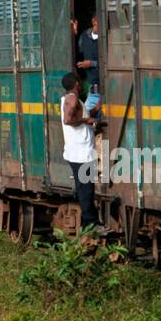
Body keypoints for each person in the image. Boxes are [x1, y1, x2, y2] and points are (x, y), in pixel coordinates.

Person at [61, 72, 98, 231]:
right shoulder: (72, 99)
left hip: (80, 152)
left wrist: (94, 112)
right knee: (86, 190)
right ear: (77, 83)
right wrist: (86, 120)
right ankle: (89, 226)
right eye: (80, 82)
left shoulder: (73, 100)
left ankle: (89, 224)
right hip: (80, 153)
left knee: (85, 189)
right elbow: (68, 120)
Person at [71, 13, 103, 120]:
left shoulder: (108, 38)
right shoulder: (84, 37)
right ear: (94, 21)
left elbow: (111, 63)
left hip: (109, 89)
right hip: (94, 91)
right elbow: (76, 54)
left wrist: (91, 64)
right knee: (86, 118)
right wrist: (74, 34)